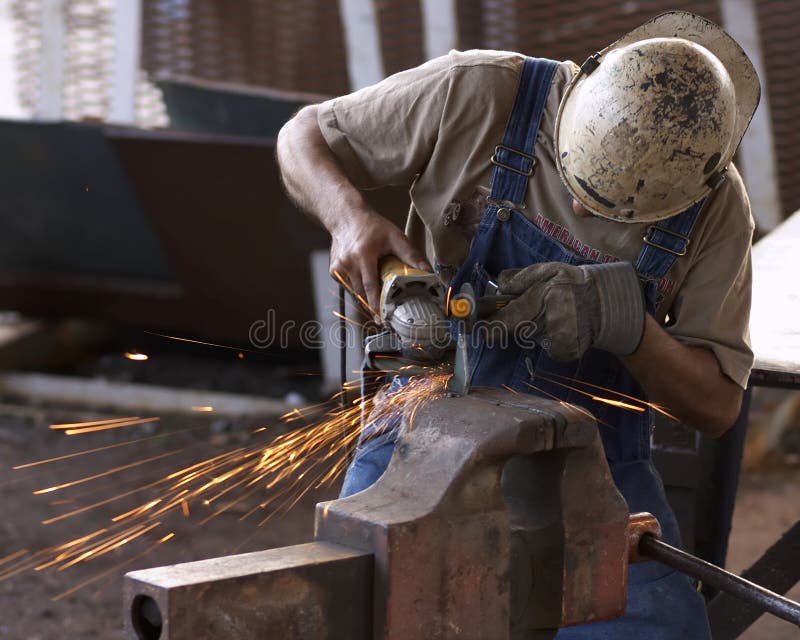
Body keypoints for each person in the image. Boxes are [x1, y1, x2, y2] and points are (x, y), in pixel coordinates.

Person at [277, 11, 760, 639]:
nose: (586, 208)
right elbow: (301, 135)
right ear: (582, 90)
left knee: (658, 628)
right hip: (425, 428)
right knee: (364, 608)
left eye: (618, 207)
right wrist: (348, 219)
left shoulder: (716, 209)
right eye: (577, 182)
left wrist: (630, 331)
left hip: (590, 464)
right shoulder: (481, 93)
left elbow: (718, 407)